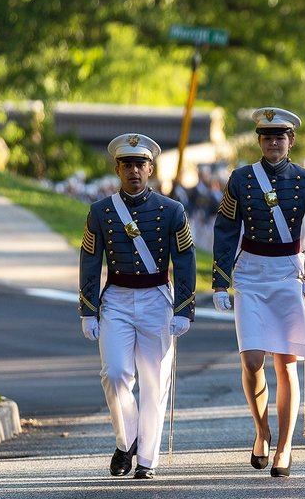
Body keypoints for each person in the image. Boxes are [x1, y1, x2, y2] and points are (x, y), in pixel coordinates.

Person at [211, 108, 305, 478]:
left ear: (291, 141)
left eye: (280, 137)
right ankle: (262, 430)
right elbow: (226, 228)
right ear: (259, 141)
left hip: (287, 274)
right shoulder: (241, 179)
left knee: (286, 363)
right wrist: (220, 279)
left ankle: (284, 446)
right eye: (267, 137)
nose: (273, 143)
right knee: (251, 360)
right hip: (250, 273)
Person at [78, 134, 195, 479]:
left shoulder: (172, 210)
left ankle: (146, 460)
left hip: (157, 298)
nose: (134, 172)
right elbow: (89, 260)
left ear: (150, 169)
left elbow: (185, 259)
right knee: (114, 374)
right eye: (127, 165)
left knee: (154, 381)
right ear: (117, 168)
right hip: (116, 298)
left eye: (140, 165)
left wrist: (184, 308)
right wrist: (87, 308)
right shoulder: (100, 212)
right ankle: (126, 440)